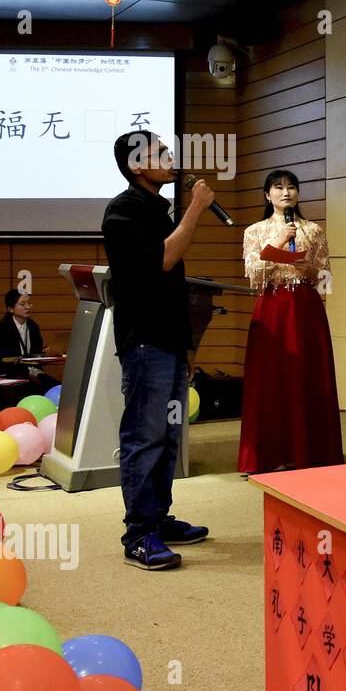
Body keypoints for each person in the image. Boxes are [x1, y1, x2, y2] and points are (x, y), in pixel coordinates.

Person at [101, 130, 214, 570]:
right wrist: (196, 209)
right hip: (145, 341)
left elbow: (173, 288)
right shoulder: (123, 211)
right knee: (144, 437)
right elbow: (162, 262)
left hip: (169, 341)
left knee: (168, 436)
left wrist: (188, 345)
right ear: (135, 166)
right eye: (159, 152)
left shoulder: (158, 210)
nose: (170, 157)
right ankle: (138, 535)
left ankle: (158, 518)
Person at [239, 170, 343, 473]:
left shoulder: (313, 230)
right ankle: (269, 456)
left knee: (307, 375)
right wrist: (281, 241)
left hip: (306, 307)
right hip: (272, 305)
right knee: (270, 378)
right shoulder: (255, 231)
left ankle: (310, 454)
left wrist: (309, 269)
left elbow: (326, 280)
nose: (286, 192)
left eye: (291, 187)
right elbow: (253, 274)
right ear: (267, 195)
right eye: (278, 187)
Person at [0, 290, 59, 395]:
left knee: (57, 387)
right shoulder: (2, 328)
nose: (28, 307)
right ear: (11, 309)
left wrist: (45, 354)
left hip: (33, 370)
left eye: (29, 303)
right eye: (22, 304)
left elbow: (35, 353)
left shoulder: (33, 326)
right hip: (12, 373)